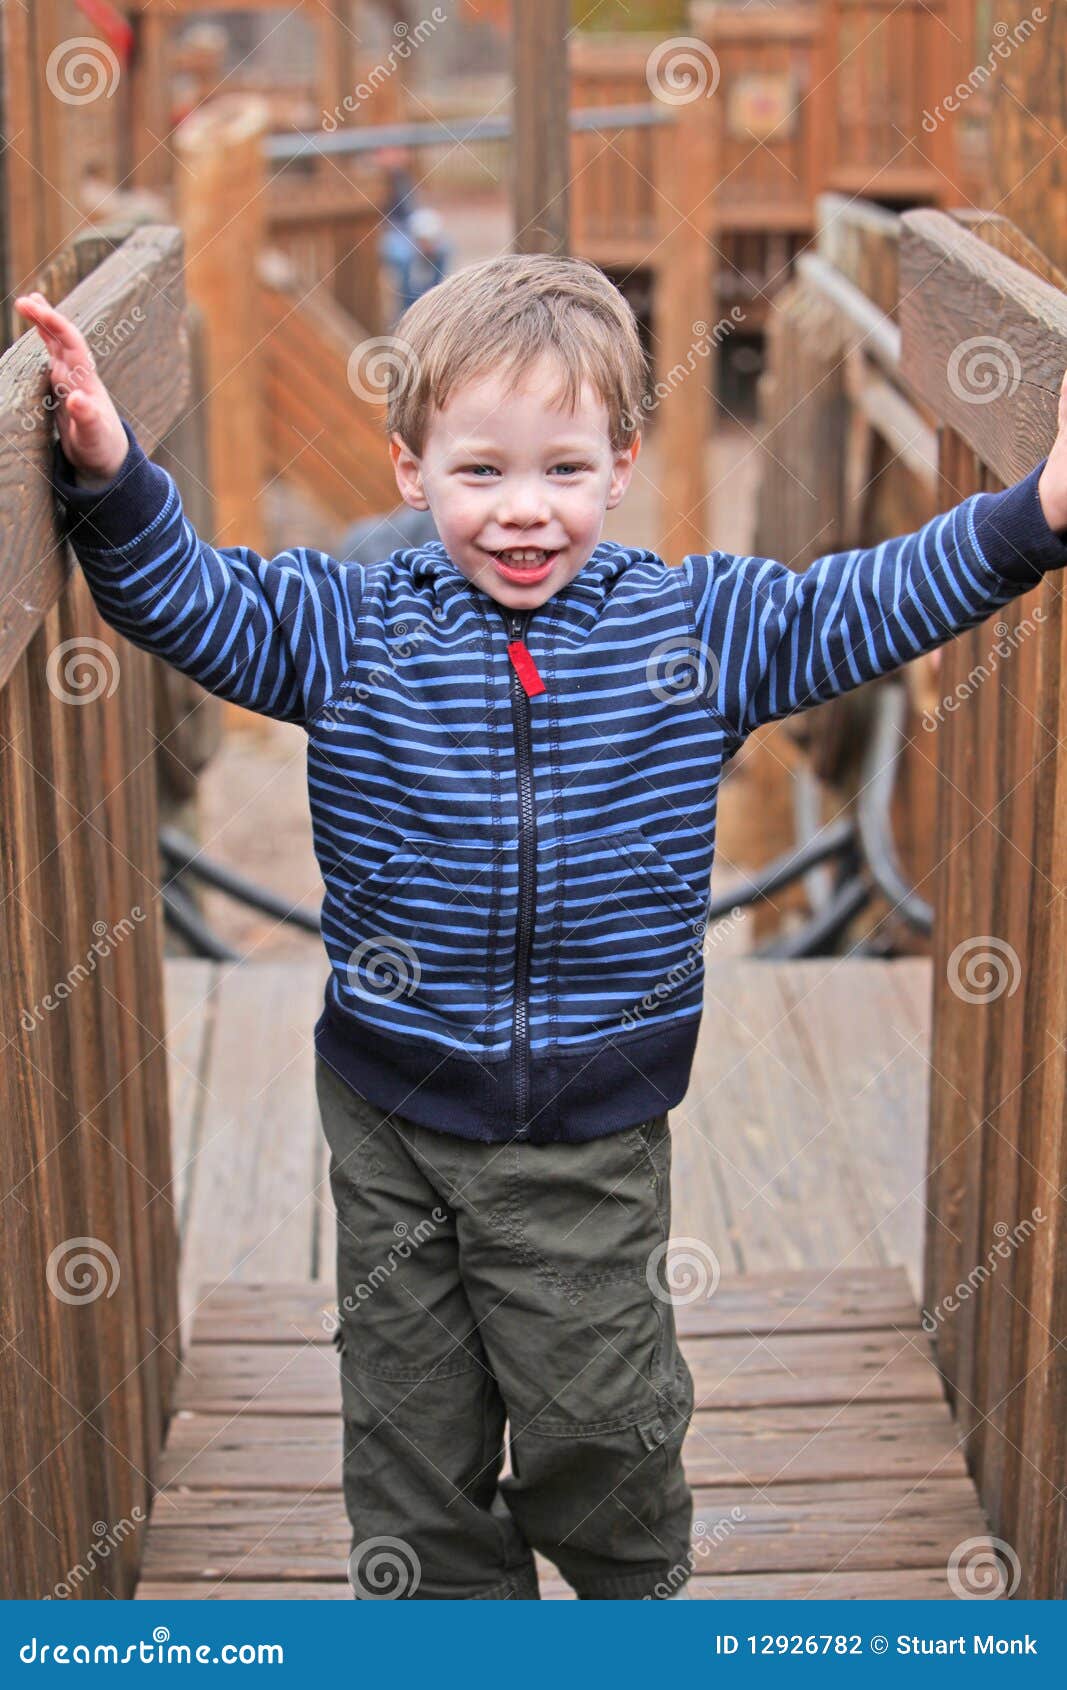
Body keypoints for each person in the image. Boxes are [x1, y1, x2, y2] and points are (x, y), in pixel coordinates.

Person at [16, 256, 1067, 1600]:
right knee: (410, 1441)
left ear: (622, 462)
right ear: (409, 470)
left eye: (564, 469)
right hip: (392, 1115)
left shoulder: (695, 627)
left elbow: (865, 600)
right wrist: (111, 474)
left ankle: (631, 1608)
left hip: (586, 1127)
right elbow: (190, 601)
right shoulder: (351, 629)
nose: (524, 512)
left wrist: (1039, 508)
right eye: (480, 472)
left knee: (601, 1420)